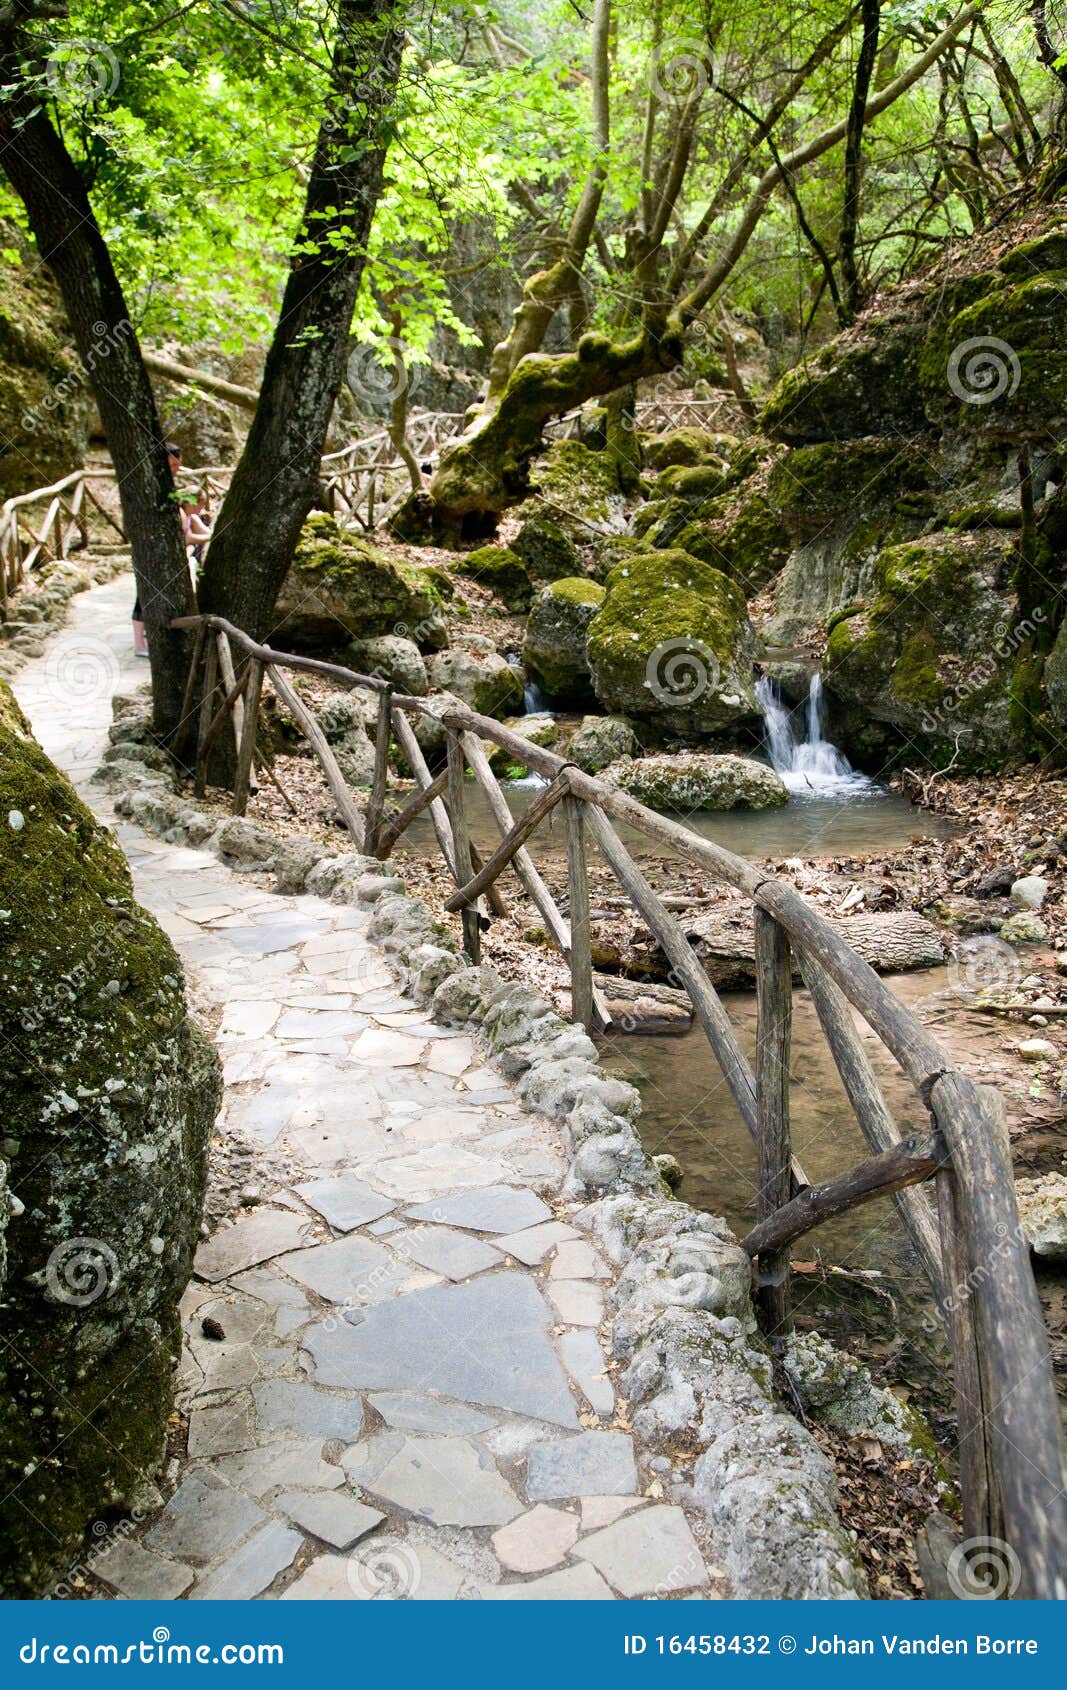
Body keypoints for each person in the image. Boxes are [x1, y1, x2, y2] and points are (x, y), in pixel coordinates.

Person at [131, 442, 211, 654]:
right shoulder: (154, 485)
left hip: (166, 554)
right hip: (150, 551)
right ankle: (140, 644)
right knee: (143, 597)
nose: (176, 469)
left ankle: (154, 637)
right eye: (172, 465)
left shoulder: (171, 490)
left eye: (178, 465)